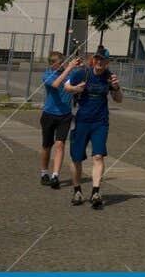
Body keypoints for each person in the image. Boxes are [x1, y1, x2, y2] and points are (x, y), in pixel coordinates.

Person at [63, 46, 122, 210]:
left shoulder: (110, 77)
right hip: (82, 120)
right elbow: (66, 87)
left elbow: (118, 99)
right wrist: (75, 89)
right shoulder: (82, 73)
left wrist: (116, 87)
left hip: (100, 121)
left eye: (103, 59)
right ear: (93, 60)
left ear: (107, 62)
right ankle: (77, 191)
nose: (99, 62)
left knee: (98, 156)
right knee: (76, 158)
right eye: (97, 59)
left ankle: (95, 191)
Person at [38, 50, 74, 188]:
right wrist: (69, 69)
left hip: (65, 115)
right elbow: (56, 84)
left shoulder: (69, 73)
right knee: (47, 146)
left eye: (62, 63)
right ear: (51, 64)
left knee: (60, 144)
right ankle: (44, 172)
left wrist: (80, 66)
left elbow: (82, 77)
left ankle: (55, 176)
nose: (61, 66)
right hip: (49, 114)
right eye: (58, 64)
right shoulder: (47, 75)